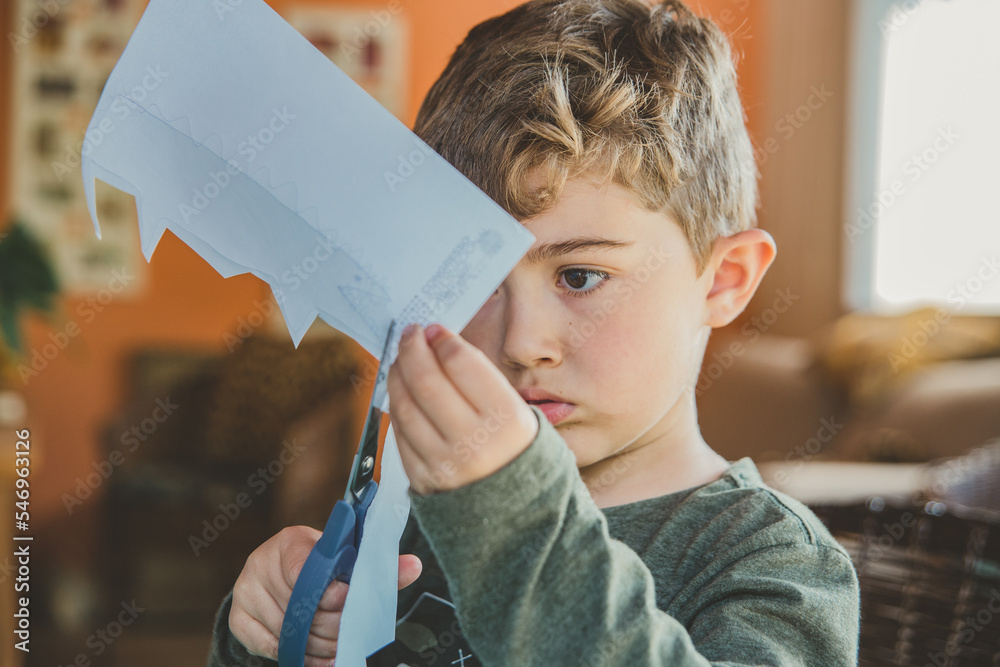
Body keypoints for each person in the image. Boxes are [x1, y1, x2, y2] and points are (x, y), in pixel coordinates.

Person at [209, 0, 861, 665]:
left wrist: (514, 525)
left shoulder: (772, 561)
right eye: (477, 280)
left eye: (580, 277)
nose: (520, 343)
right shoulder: (416, 517)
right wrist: (262, 640)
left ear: (723, 280)